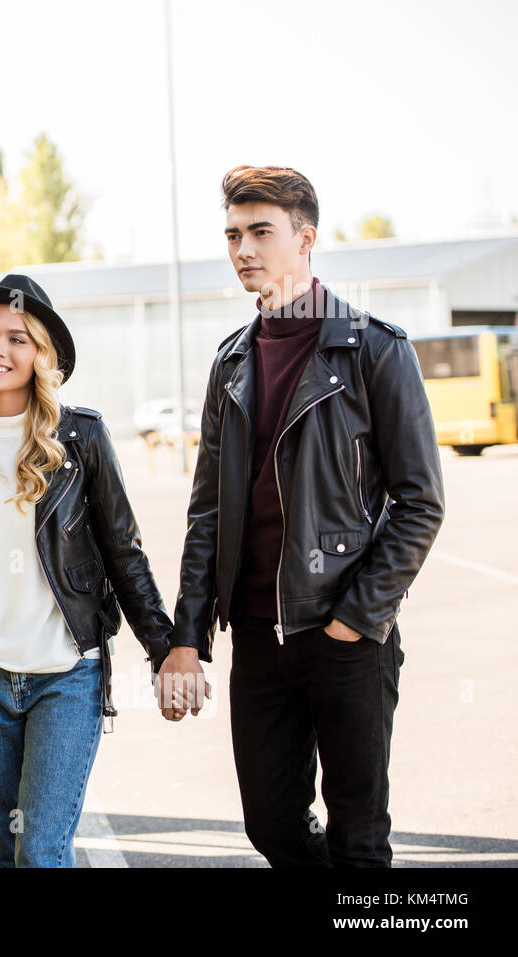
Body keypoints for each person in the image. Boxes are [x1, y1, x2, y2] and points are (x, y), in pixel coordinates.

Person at [160, 166, 445, 867]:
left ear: (306, 238)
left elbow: (421, 501)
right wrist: (186, 634)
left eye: (261, 231)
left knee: (358, 832)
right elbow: (208, 511)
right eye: (233, 234)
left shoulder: (375, 347)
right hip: (258, 635)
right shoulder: (230, 361)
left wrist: (359, 615)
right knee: (272, 824)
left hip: (346, 632)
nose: (244, 248)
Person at [0, 274, 172, 868]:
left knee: (42, 851)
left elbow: (124, 550)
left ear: (42, 356)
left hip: (65, 675)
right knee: (7, 851)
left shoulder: (80, 439)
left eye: (19, 339)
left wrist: (165, 648)